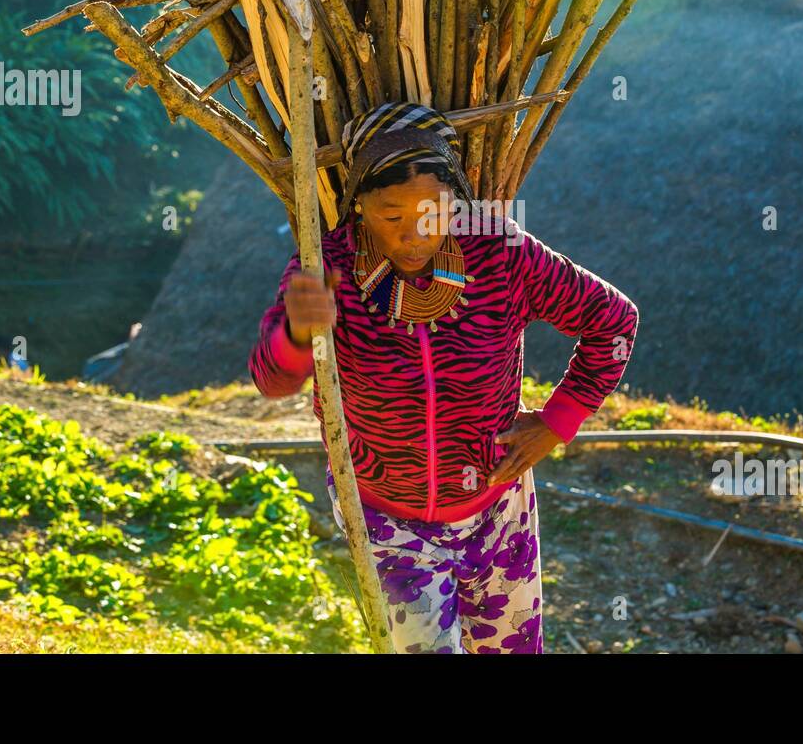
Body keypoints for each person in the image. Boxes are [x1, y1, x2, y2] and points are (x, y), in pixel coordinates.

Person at [249, 102, 639, 653]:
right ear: (358, 204)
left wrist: (558, 422)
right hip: (386, 522)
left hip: (498, 512)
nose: (414, 234)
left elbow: (613, 321)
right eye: (391, 215)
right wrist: (294, 334)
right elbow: (271, 380)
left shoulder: (501, 254)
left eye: (434, 212)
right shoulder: (326, 268)